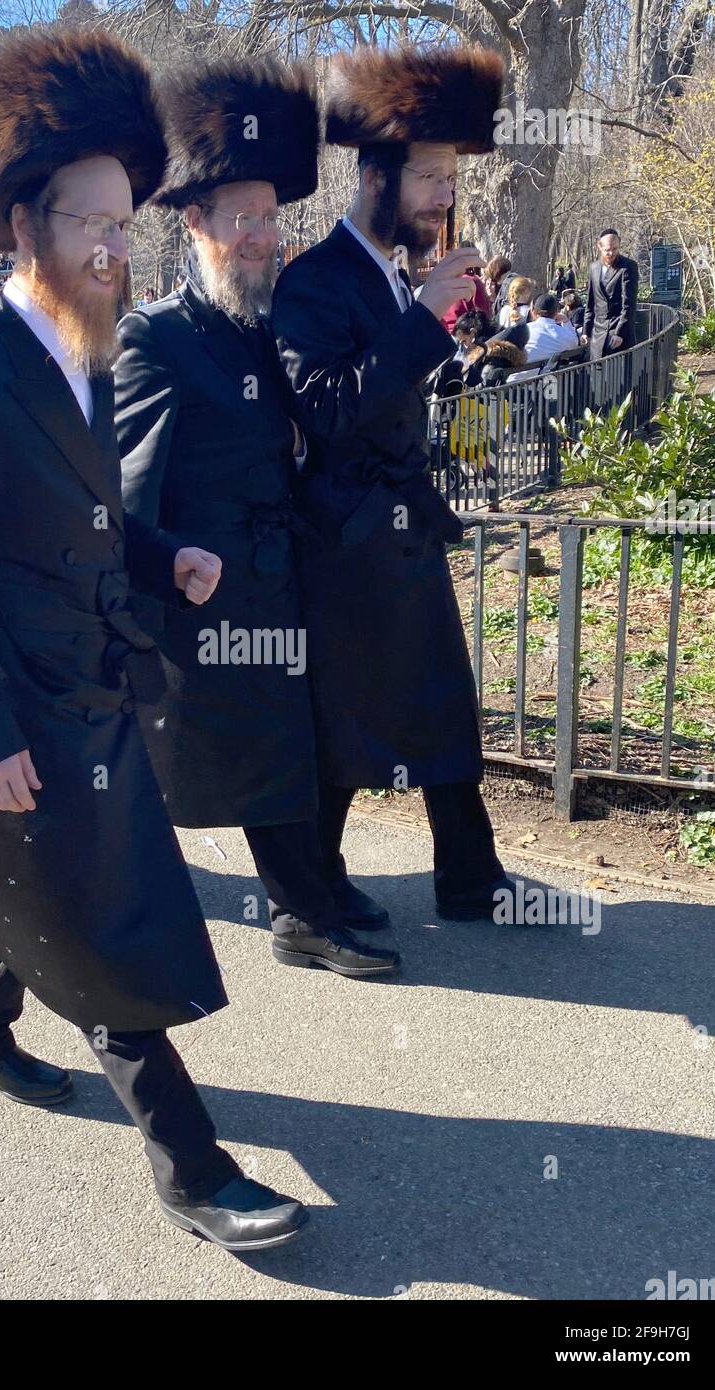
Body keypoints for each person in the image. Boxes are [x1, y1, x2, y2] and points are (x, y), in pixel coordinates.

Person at [0, 27, 307, 1250]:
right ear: (24, 223)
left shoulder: (88, 352)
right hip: (21, 717)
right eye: (92, 225)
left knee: (40, 907)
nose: (118, 249)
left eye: (130, 225)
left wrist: (158, 548)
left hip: (102, 688)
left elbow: (86, 515)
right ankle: (194, 1165)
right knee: (100, 922)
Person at [114, 57, 398, 980]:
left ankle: (314, 887)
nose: (262, 237)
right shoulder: (153, 338)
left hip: (289, 576)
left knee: (304, 742)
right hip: (215, 593)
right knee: (250, 757)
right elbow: (128, 493)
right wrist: (159, 588)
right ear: (193, 223)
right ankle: (299, 914)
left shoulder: (265, 325)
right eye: (243, 218)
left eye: (271, 218)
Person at [272, 43, 513, 924]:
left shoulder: (392, 274)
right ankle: (309, 895)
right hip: (344, 546)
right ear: (376, 177)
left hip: (401, 531)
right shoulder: (312, 280)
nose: (445, 196)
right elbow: (329, 410)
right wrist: (419, 323)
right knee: (349, 724)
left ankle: (468, 879)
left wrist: (431, 321)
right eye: (429, 177)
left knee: (438, 705)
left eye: (451, 178)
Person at [582, 228, 639, 360]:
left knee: (619, 377)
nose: (611, 253)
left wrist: (620, 333)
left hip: (619, 334)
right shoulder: (594, 268)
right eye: (608, 249)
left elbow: (629, 304)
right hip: (598, 333)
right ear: (599, 246)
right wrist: (586, 330)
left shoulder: (628, 267)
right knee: (597, 376)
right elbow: (591, 303)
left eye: (615, 248)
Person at [524, 292, 580, 363]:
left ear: (534, 313)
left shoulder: (524, 330)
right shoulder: (562, 334)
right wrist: (566, 322)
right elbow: (574, 344)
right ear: (557, 312)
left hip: (519, 372)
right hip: (546, 372)